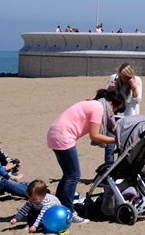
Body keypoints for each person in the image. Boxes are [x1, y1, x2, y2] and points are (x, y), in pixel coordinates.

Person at [47, 89, 123, 218]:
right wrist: (117, 141)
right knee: (74, 175)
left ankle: (59, 205)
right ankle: (69, 211)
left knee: (68, 174)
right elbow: (94, 136)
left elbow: (107, 126)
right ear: (111, 103)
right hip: (64, 136)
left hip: (54, 134)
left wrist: (119, 133)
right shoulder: (98, 108)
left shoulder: (95, 104)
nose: (114, 113)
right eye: (116, 109)